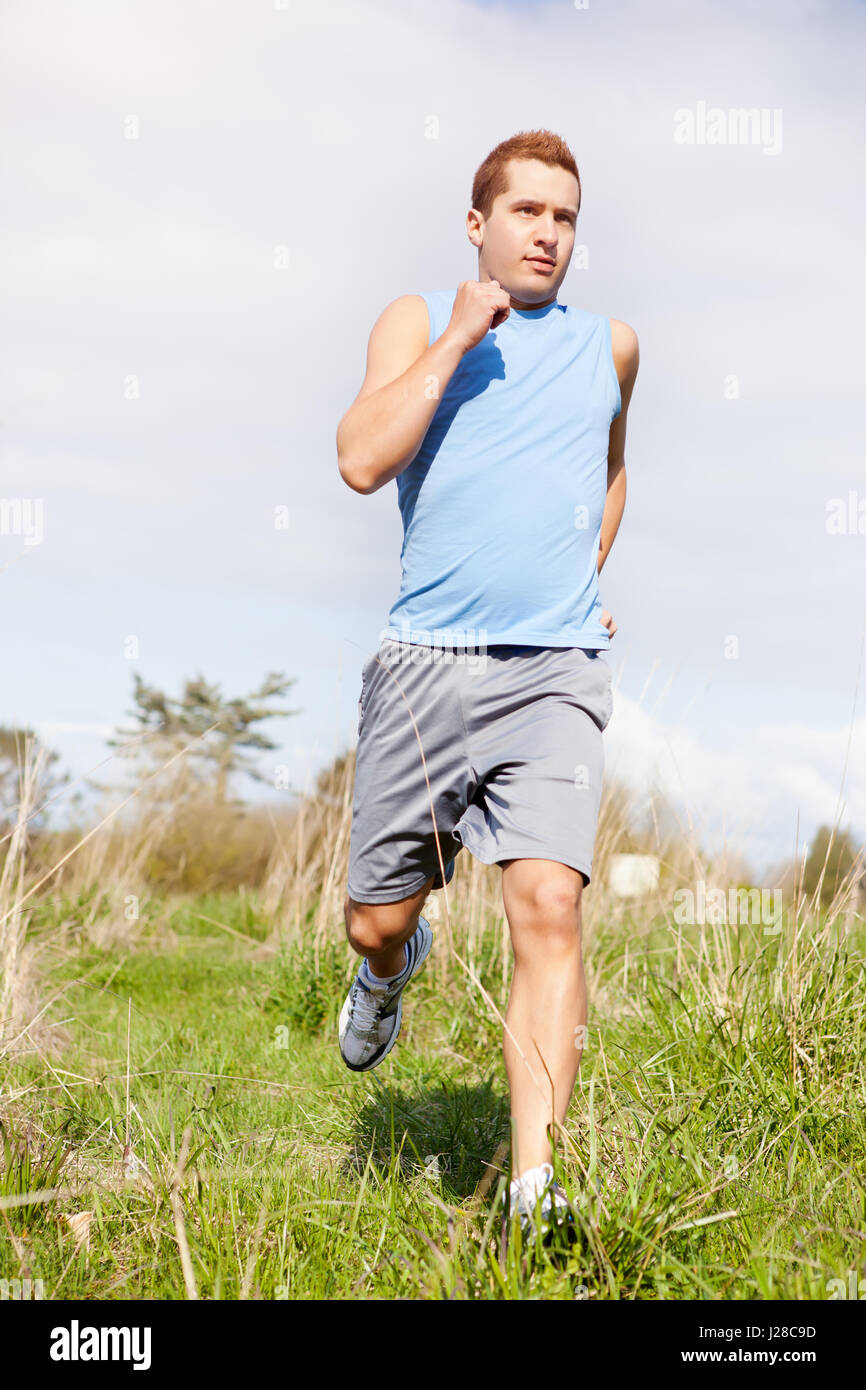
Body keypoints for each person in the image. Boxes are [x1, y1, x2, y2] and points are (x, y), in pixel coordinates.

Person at [335, 128, 639, 1237]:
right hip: (423, 668)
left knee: (547, 905)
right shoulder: (418, 318)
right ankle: (387, 968)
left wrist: (578, 577)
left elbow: (608, 474)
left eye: (563, 216)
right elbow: (362, 457)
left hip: (553, 670)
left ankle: (533, 1190)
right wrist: (460, 335)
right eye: (526, 213)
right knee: (373, 918)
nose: (547, 233)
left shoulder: (609, 346)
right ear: (479, 224)